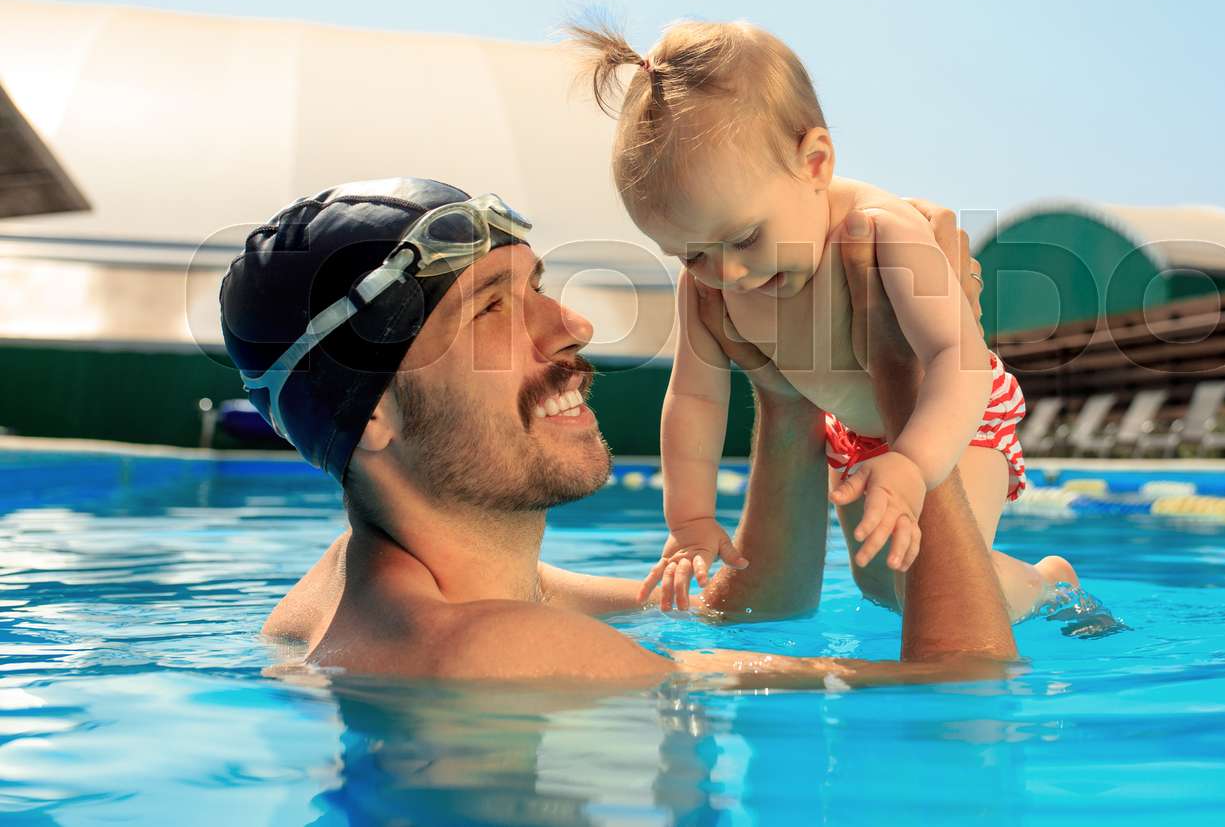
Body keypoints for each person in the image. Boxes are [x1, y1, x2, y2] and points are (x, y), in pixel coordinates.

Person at [222, 176, 1021, 685]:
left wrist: (784, 391)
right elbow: (966, 685)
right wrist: (904, 368)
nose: (572, 323)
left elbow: (744, 613)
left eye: (539, 286)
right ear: (376, 415)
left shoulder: (360, 582)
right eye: (494, 307)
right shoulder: (486, 652)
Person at [565, 20, 1074, 619]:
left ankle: (1046, 587)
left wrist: (912, 466)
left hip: (956, 412)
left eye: (746, 238)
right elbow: (695, 399)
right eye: (692, 253)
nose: (727, 273)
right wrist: (691, 519)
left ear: (815, 163)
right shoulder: (708, 287)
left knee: (927, 586)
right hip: (856, 432)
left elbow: (954, 358)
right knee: (878, 587)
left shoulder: (885, 232)